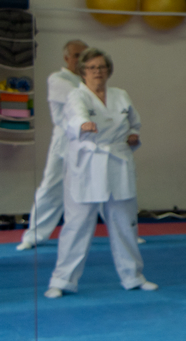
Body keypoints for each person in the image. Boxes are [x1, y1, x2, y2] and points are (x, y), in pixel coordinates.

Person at [45, 48, 157, 297]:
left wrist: (133, 136)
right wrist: (83, 124)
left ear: (109, 71)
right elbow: (75, 119)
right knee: (77, 225)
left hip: (118, 162)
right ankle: (62, 280)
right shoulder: (77, 96)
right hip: (88, 164)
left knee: (125, 224)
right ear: (82, 72)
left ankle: (133, 276)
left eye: (102, 67)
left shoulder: (121, 95)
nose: (98, 72)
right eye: (92, 68)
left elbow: (134, 123)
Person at [17, 39, 87, 250]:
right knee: (51, 187)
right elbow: (80, 103)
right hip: (65, 141)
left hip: (90, 140)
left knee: (103, 185)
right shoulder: (58, 79)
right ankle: (33, 235)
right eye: (76, 55)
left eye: (84, 56)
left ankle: (125, 233)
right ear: (66, 58)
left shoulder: (90, 80)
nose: (80, 60)